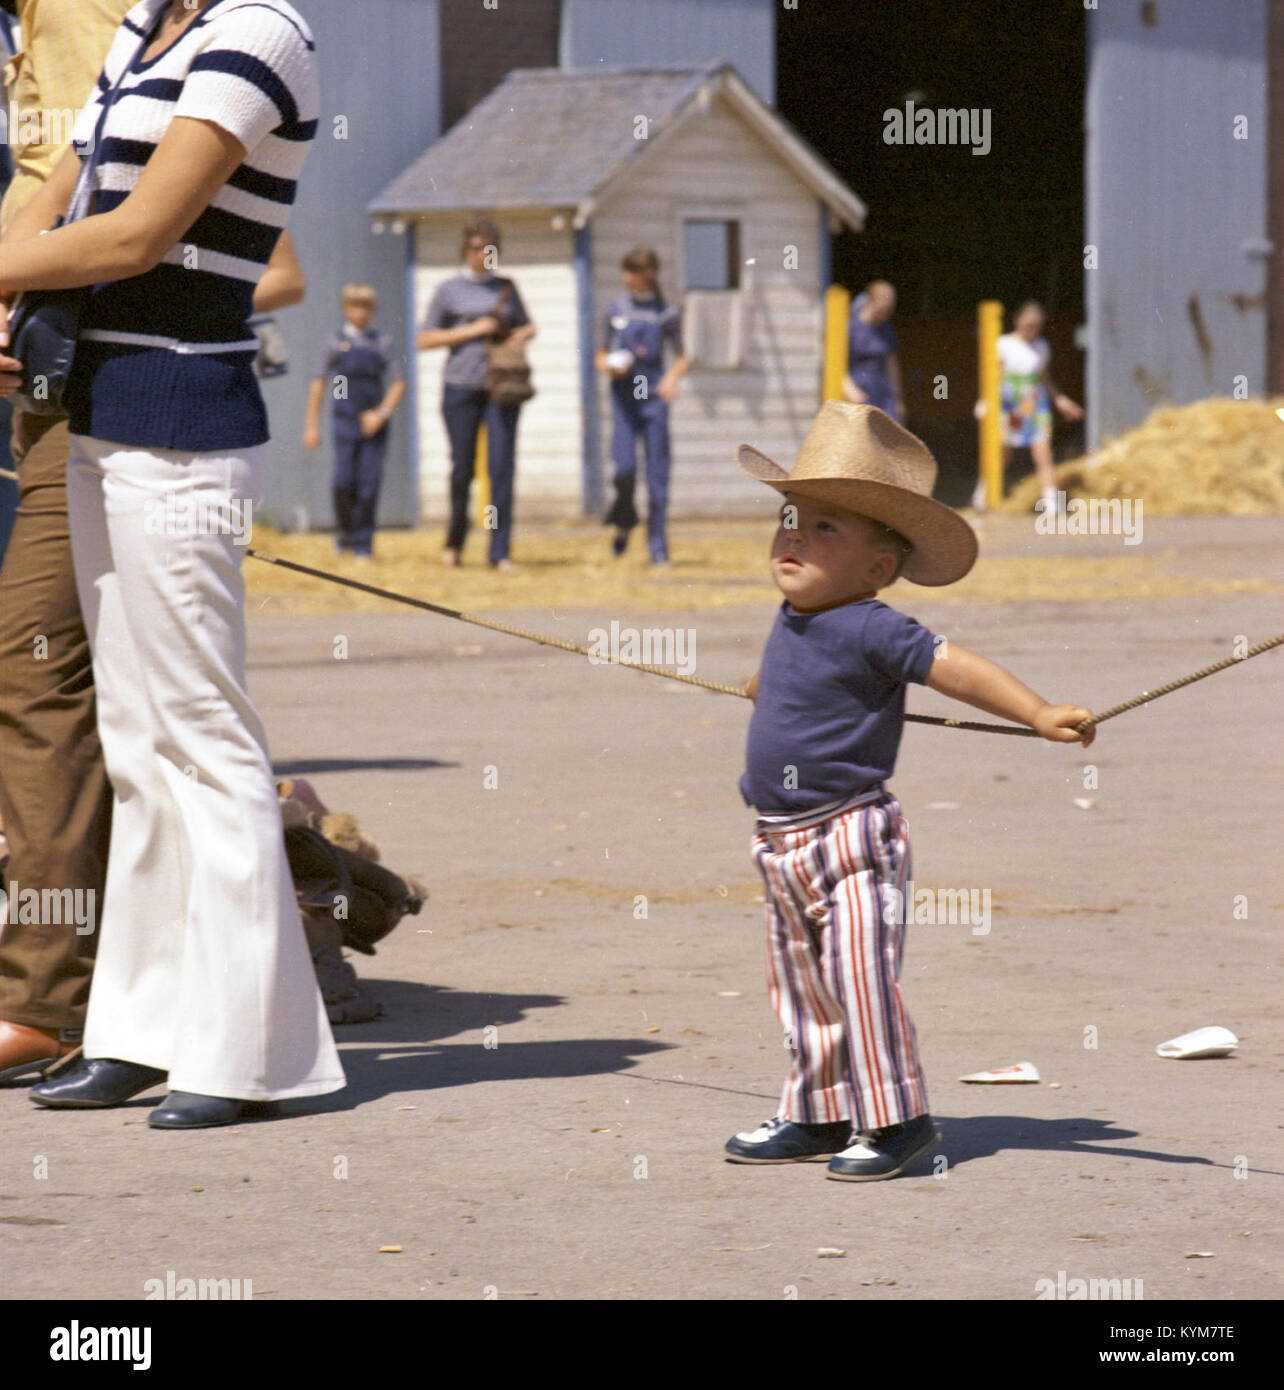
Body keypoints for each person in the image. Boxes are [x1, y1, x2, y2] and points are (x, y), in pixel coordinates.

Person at [0, 0, 343, 1127]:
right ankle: (139, 1030)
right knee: (139, 741)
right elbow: (71, 192)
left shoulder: (261, 29)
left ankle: (252, 1056)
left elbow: (141, 233)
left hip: (185, 417)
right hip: (96, 405)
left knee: (203, 736)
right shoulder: (143, 26)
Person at [726, 402, 1094, 1179]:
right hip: (777, 841)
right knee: (801, 986)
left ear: (878, 568)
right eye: (791, 518)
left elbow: (955, 667)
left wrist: (1036, 712)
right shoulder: (794, 614)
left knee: (860, 979)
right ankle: (819, 1112)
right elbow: (788, 681)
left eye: (826, 528)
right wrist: (764, 686)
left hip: (851, 839)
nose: (795, 535)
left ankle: (898, 1119)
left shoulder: (873, 624)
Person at [0, 0, 138, 1086]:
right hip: (45, 371)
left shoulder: (99, 12)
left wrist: (24, 292)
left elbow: (117, 193)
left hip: (102, 380)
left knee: (50, 674)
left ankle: (46, 999)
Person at [416, 218, 536, 572]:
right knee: (462, 470)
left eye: (490, 249)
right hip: (460, 388)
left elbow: (528, 324)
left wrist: (521, 335)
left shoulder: (507, 288)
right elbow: (424, 339)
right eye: (476, 248)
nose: (483, 255)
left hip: (502, 389)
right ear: (464, 250)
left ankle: (499, 551)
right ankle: (454, 543)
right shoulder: (448, 290)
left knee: (501, 469)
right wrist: (473, 330)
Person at [595, 245, 689, 566]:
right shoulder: (615, 309)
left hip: (653, 400)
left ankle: (658, 546)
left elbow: (681, 358)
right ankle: (624, 520)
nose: (624, 278)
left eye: (630, 272)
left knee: (657, 479)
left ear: (646, 275)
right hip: (625, 399)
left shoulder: (667, 312)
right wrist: (609, 366)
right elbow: (600, 355)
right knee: (623, 469)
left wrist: (670, 380)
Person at [304, 284, 406, 560]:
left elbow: (398, 383)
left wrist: (380, 414)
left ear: (372, 311)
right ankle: (344, 535)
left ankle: (363, 544)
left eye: (365, 307)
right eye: (354, 307)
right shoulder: (335, 343)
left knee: (369, 482)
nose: (360, 313)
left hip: (373, 422)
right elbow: (319, 383)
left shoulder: (382, 343)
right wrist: (311, 425)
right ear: (345, 309)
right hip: (345, 421)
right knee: (343, 481)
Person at [975, 299, 1083, 514]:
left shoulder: (1042, 347)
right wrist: (986, 402)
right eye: (1028, 324)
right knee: (1002, 454)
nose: (1032, 329)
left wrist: (1060, 399)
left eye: (1036, 326)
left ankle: (1052, 503)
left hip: (1034, 404)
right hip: (1009, 404)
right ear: (1018, 321)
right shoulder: (1003, 344)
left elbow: (1044, 378)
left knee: (1042, 451)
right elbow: (995, 376)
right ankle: (983, 494)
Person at [843, 279, 904, 422]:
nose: (884, 316)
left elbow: (892, 365)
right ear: (870, 302)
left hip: (882, 389)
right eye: (881, 311)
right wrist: (849, 388)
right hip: (858, 387)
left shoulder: (886, 329)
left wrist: (898, 399)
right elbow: (835, 363)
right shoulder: (850, 327)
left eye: (888, 312)